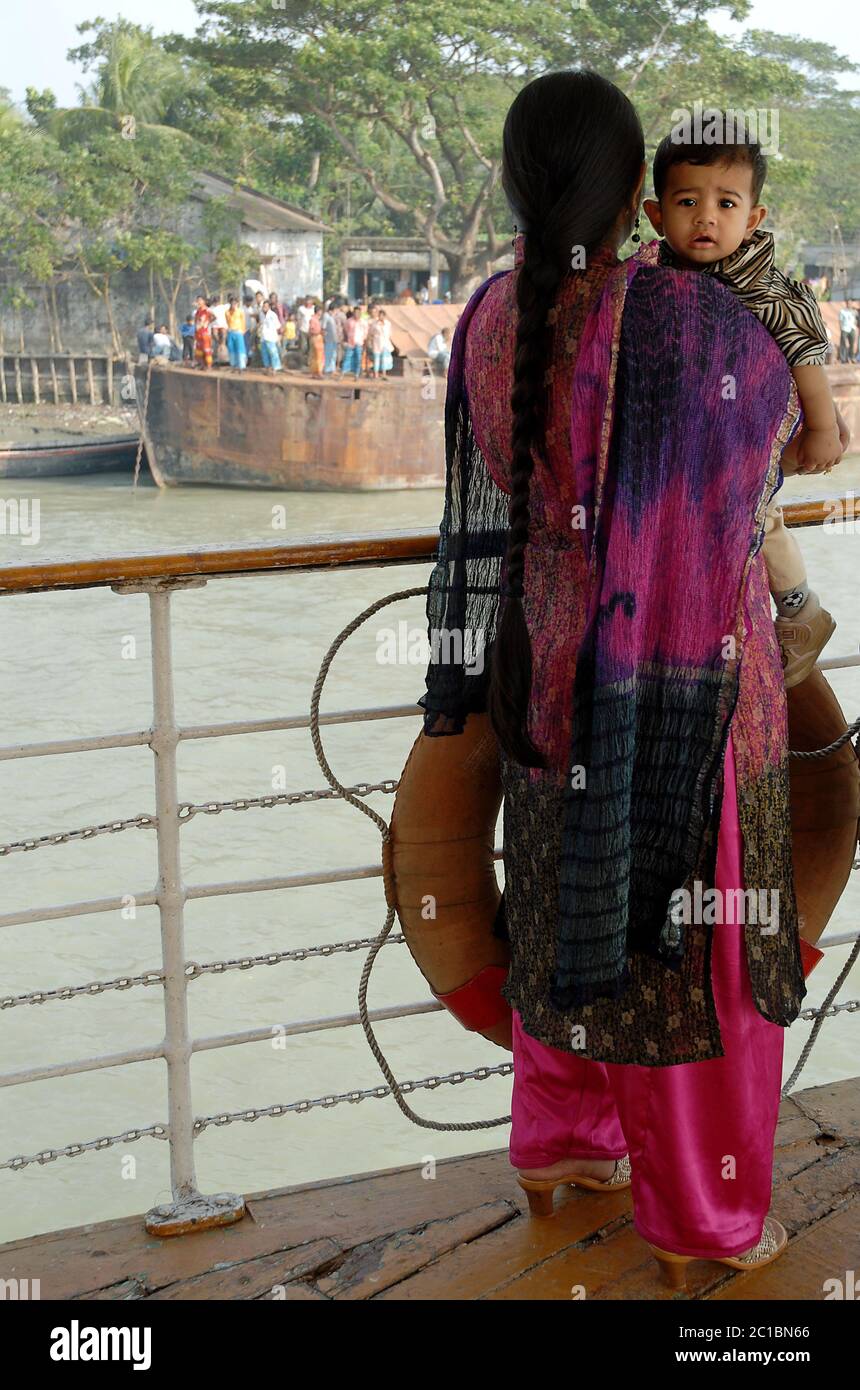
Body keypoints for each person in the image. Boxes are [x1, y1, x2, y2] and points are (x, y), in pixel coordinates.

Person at [415, 68, 837, 1287]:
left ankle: (562, 1142)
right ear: (636, 196)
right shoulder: (696, 323)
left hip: (550, 679)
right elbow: (763, 477)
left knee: (563, 903)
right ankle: (700, 1221)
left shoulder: (493, 314)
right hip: (689, 691)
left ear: (514, 181)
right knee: (700, 942)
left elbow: (495, 495)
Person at [643, 126, 847, 688]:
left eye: (725, 204)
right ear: (657, 216)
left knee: (756, 515)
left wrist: (824, 427)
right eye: (688, 202)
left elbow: (805, 352)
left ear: (753, 218)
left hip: (750, 439)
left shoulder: (760, 287)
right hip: (702, 441)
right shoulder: (657, 280)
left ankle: (800, 609)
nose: (706, 218)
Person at [367, 308, 393, 378]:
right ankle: (376, 373)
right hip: (376, 342)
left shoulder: (388, 323)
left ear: (384, 316)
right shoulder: (374, 323)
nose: (380, 317)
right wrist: (370, 341)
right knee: (376, 358)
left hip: (385, 342)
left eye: (382, 316)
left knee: (384, 358)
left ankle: (384, 373)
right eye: (379, 315)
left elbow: (389, 333)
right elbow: (370, 332)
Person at [193, 295, 215, 370]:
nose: (198, 302)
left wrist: (208, 322)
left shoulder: (207, 310)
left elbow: (214, 317)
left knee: (207, 349)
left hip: (205, 333)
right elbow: (196, 321)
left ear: (204, 301)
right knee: (199, 350)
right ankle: (202, 365)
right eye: (197, 300)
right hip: (198, 333)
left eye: (200, 300)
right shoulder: (198, 311)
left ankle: (209, 365)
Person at [259, 301, 283, 370]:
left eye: (266, 306)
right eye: (263, 306)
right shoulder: (261, 314)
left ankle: (276, 367)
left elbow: (278, 326)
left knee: (273, 352)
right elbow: (261, 324)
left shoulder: (273, 315)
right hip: (263, 337)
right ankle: (267, 367)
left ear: (269, 307)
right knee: (264, 353)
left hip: (271, 337)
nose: (264, 308)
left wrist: (279, 336)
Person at [226, 295, 247, 369]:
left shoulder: (240, 311)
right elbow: (228, 321)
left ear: (237, 303)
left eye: (235, 303)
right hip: (231, 331)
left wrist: (243, 330)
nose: (233, 305)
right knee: (231, 348)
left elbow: (243, 322)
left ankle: (241, 365)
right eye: (232, 303)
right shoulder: (227, 312)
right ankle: (233, 364)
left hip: (238, 332)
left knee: (240, 348)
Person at [321, 304, 339, 373]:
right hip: (328, 339)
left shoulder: (332, 316)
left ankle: (332, 368)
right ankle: (327, 369)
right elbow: (323, 328)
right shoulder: (326, 316)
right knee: (328, 354)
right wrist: (324, 338)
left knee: (333, 354)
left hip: (334, 338)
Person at [307, 304, 324, 375]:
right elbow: (312, 330)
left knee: (316, 356)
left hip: (317, 337)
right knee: (318, 356)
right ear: (319, 311)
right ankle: (318, 372)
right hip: (316, 338)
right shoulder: (313, 319)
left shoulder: (316, 319)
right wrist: (320, 332)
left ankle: (315, 372)